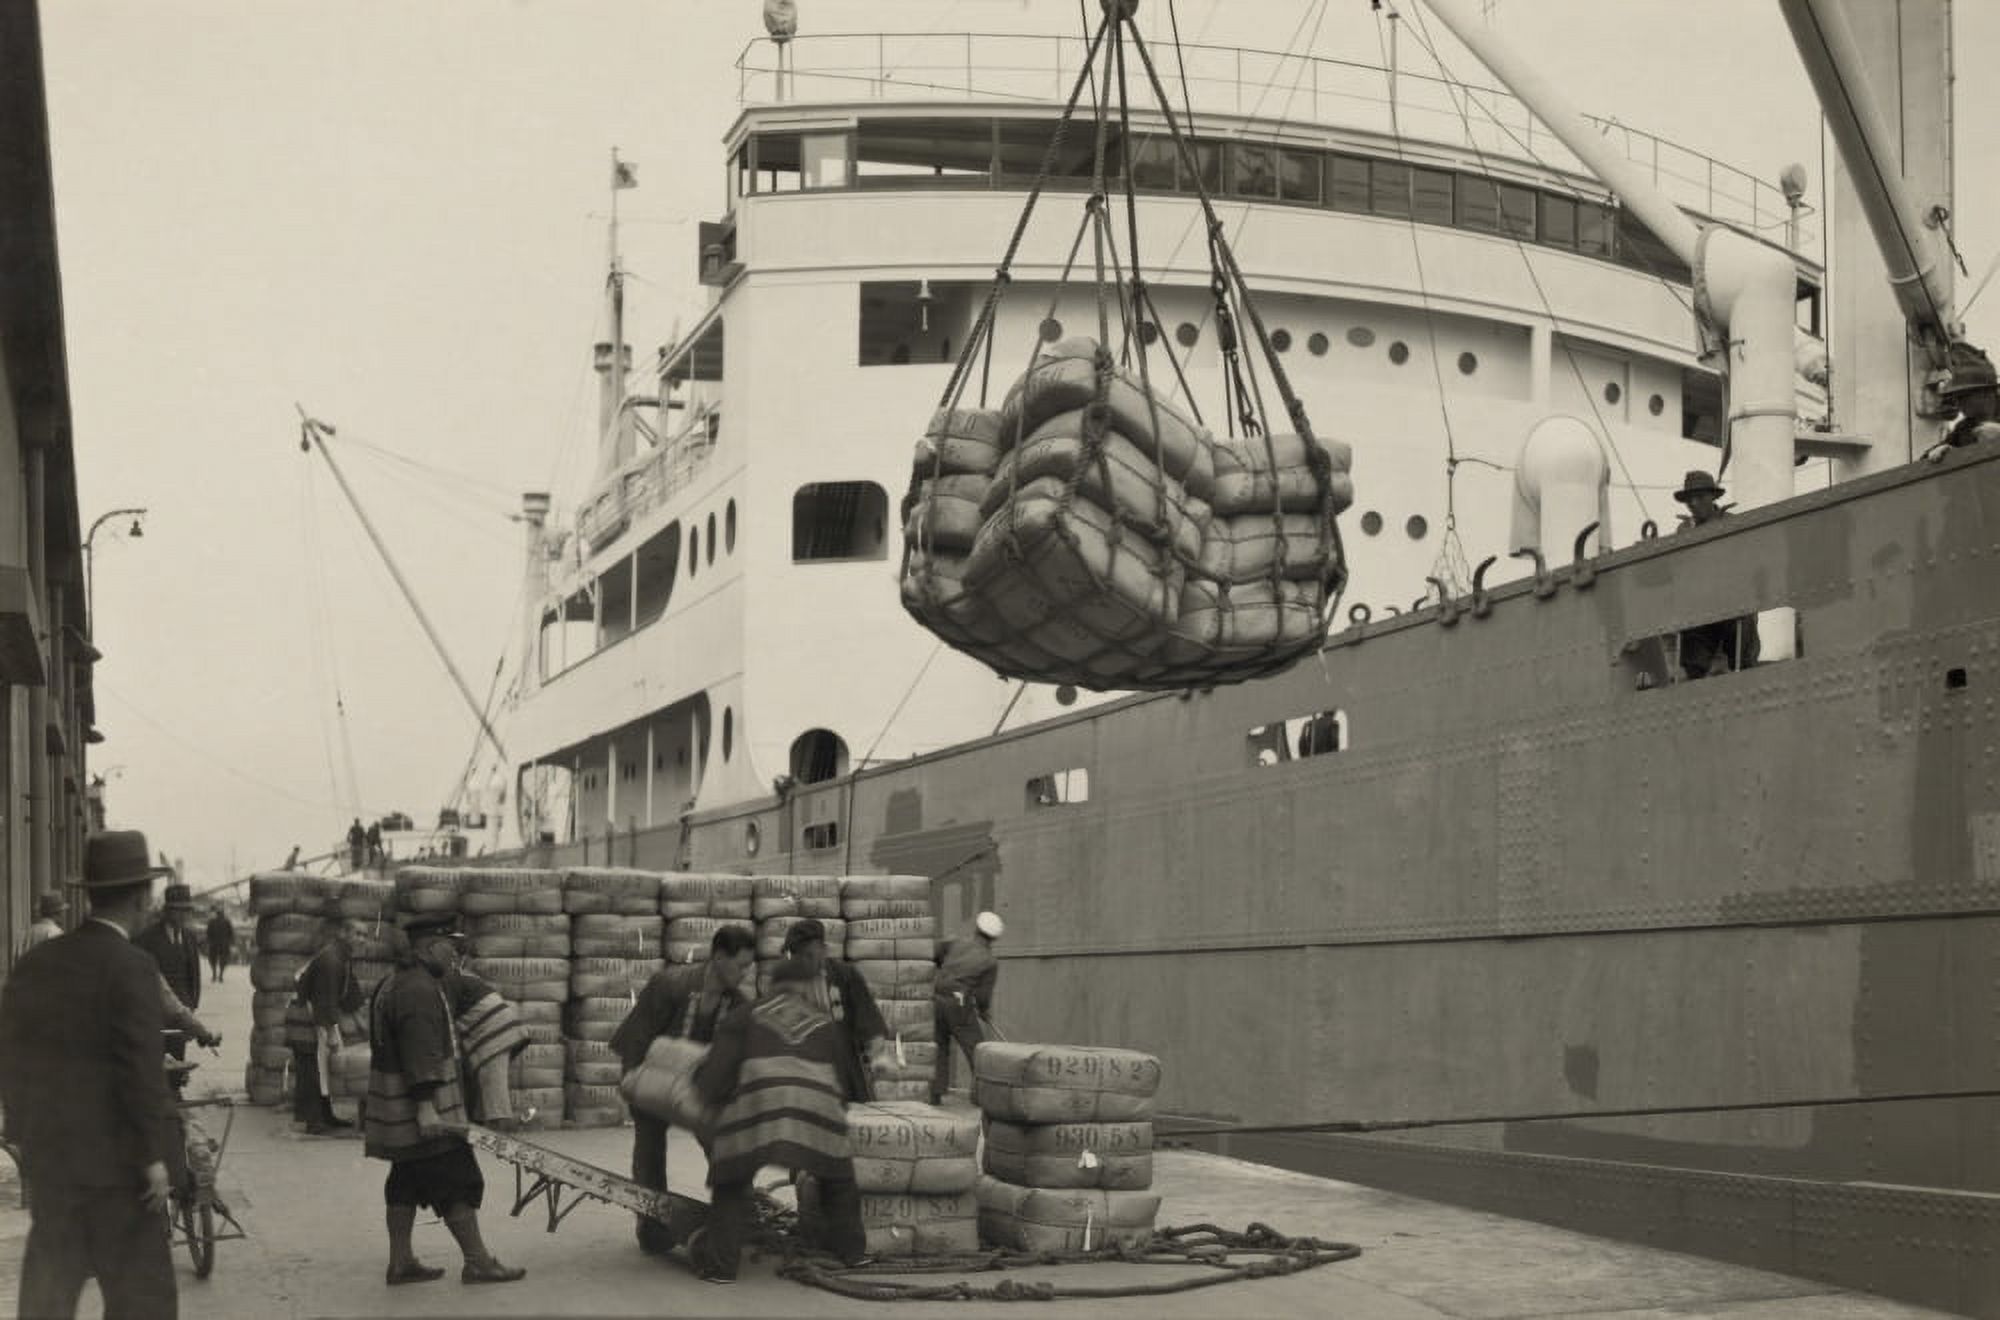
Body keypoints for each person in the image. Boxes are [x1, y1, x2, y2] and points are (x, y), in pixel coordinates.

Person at [0, 829, 179, 1319]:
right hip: (120, 1177)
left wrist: (20, 1133)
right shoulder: (131, 966)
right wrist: (152, 1157)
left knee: (47, 1304)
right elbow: (139, 1067)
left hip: (55, 1170)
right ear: (141, 898)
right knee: (143, 1303)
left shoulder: (35, 964)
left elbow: (10, 1055)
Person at [363, 911, 525, 1286]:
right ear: (430, 947)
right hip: (425, 1110)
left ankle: (401, 1262)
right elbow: (420, 1054)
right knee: (457, 1180)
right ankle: (479, 1262)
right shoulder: (418, 991)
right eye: (450, 948)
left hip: (397, 1109)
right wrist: (426, 1108)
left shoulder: (397, 981)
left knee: (405, 1180)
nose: (455, 956)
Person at [690, 956, 871, 1283]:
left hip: (760, 1110)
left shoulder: (744, 1016)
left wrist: (707, 1102)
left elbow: (716, 1077)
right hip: (818, 1112)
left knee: (730, 1178)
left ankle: (721, 1267)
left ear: (771, 985)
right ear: (805, 987)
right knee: (839, 1178)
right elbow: (844, 1082)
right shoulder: (825, 1024)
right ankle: (852, 1253)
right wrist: (836, 1123)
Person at [608, 923, 756, 1255]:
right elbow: (638, 1037)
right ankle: (651, 1226)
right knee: (649, 1147)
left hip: (695, 1080)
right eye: (741, 965)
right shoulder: (670, 984)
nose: (746, 974)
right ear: (719, 957)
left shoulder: (739, 1004)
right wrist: (633, 1085)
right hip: (650, 1071)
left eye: (750, 966)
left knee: (722, 1140)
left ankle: (734, 1216)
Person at [780, 917, 886, 1102]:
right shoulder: (786, 981)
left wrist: (878, 1055)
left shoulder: (845, 975)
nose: (802, 961)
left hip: (845, 1073)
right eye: (796, 955)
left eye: (808, 954)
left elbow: (869, 1018)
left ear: (823, 950)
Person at [1670, 469, 1760, 681]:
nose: (1693, 503)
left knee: (1742, 644)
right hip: (1699, 606)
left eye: (1699, 497)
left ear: (1713, 497)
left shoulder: (1732, 522)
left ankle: (1747, 674)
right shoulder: (1683, 530)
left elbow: (1749, 562)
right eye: (1689, 499)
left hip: (1732, 602)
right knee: (1692, 659)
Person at [290, 919, 365, 1136]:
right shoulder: (332, 960)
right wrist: (332, 1032)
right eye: (357, 934)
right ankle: (313, 1121)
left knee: (323, 1069)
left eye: (365, 935)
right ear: (343, 933)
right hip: (305, 1019)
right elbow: (326, 999)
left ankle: (325, 1114)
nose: (362, 939)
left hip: (318, 1018)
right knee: (312, 1070)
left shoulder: (343, 958)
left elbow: (350, 995)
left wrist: (363, 1025)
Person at [931, 911, 1003, 1105]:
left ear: (976, 928)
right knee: (976, 1048)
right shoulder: (989, 962)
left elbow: (934, 953)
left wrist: (944, 970)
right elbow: (982, 996)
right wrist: (983, 1010)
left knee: (939, 1046)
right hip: (959, 1003)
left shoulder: (954, 942)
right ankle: (982, 1095)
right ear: (994, 938)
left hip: (936, 997)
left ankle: (935, 1094)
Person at [135, 882, 203, 1080]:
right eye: (177, 911)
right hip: (155, 1010)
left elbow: (195, 975)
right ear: (167, 911)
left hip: (181, 1009)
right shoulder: (146, 938)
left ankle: (175, 1091)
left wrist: (192, 1004)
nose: (182, 916)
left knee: (178, 1056)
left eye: (186, 911)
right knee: (157, 1058)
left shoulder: (189, 937)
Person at [1924, 340, 2000, 460]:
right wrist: (1946, 452)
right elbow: (1923, 461)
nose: (1959, 404)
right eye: (1956, 398)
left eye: (1963, 397)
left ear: (1985, 393)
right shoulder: (1964, 428)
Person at [203, 907, 235, 982]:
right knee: (223, 960)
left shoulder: (212, 921)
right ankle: (220, 975)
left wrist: (208, 941)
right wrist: (230, 942)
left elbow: (208, 933)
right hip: (223, 944)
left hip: (214, 944)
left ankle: (215, 974)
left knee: (212, 959)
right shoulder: (227, 922)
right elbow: (231, 933)